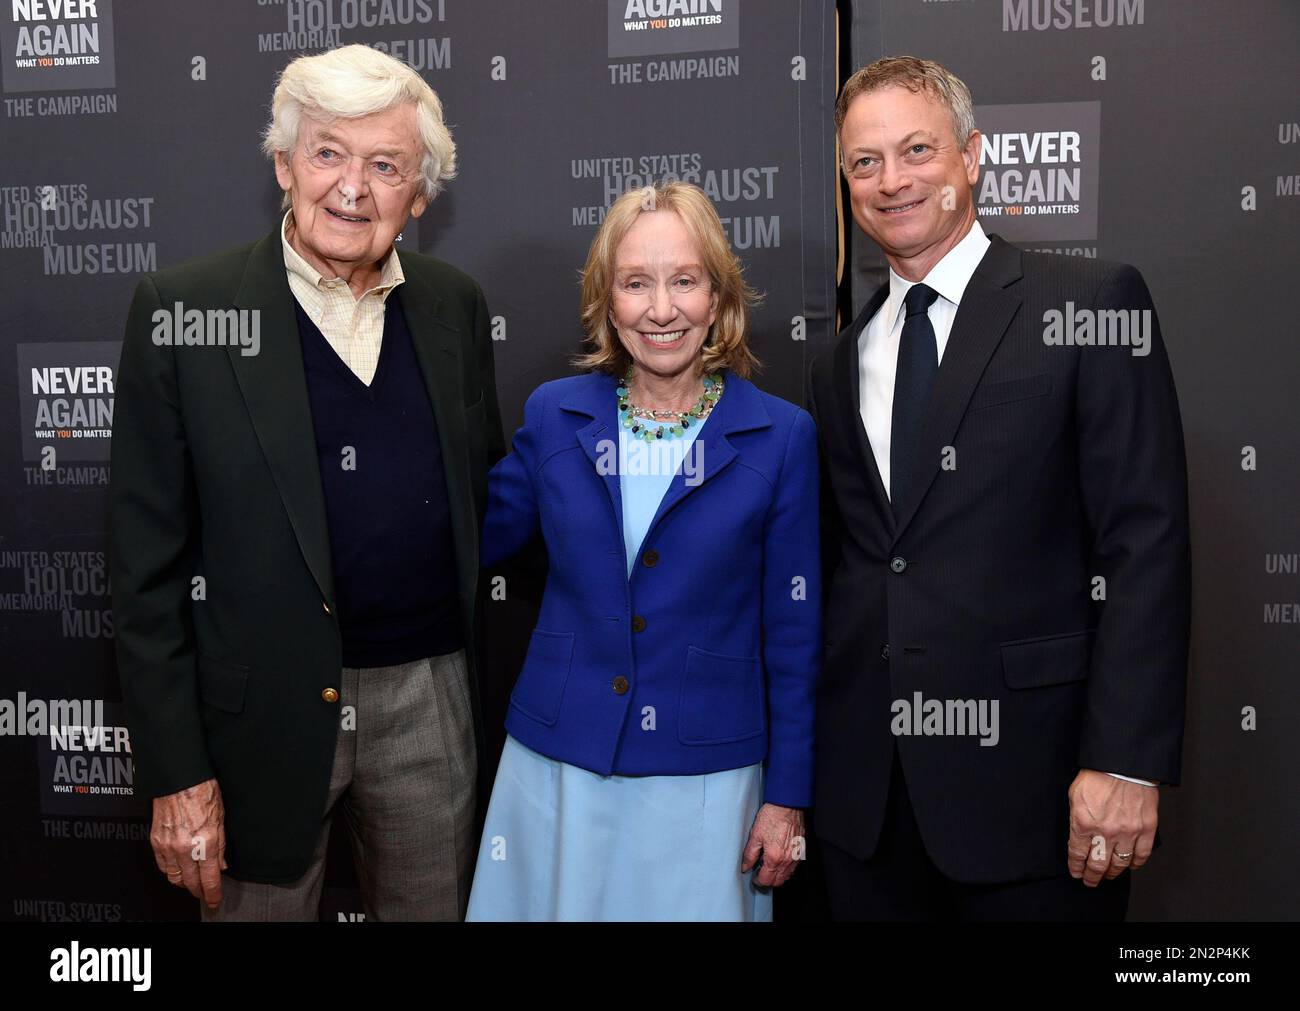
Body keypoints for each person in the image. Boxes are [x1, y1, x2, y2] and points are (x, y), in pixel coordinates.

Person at [109, 44, 504, 921]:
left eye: (385, 164)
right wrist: (176, 772)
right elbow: (143, 574)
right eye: (328, 152)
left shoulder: (455, 307)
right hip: (258, 720)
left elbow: (486, 502)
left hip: (429, 696)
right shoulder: (185, 313)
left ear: (421, 194)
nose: (352, 187)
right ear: (285, 164)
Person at [808, 56, 1190, 920]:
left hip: (1041, 801)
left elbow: (1146, 542)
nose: (892, 180)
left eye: (916, 150)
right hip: (866, 811)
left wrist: (1125, 762)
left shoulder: (1088, 301)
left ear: (973, 156)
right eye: (865, 162)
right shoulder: (838, 361)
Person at [465, 181, 820, 921]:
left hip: (705, 775)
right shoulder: (555, 416)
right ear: (607, 300)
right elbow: (471, 536)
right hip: (558, 764)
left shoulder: (781, 436)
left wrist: (786, 796)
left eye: (685, 280)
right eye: (636, 283)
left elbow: (794, 634)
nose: (662, 309)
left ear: (718, 296)